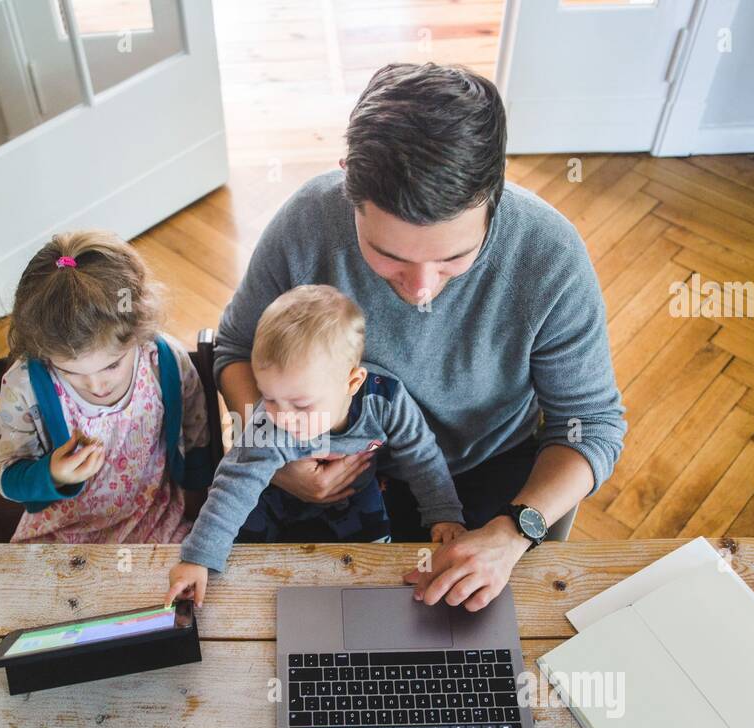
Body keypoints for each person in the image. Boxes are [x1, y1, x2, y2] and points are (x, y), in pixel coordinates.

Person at [213, 63, 627, 610]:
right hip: (325, 461)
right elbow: (235, 350)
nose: (422, 289)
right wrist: (274, 450)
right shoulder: (307, 223)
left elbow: (592, 425)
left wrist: (515, 528)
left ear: (493, 192)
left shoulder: (549, 257)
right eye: (388, 256)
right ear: (347, 184)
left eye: (454, 258)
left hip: (484, 480)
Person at [164, 285, 464, 607]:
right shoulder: (270, 421)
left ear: (352, 383)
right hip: (270, 497)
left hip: (355, 494)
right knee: (241, 564)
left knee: (378, 569)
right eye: (269, 398)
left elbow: (420, 454)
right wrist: (198, 558)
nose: (283, 418)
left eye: (301, 404)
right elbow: (233, 485)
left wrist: (443, 515)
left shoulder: (386, 400)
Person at [0, 230, 213, 544]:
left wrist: (200, 501)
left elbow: (197, 436)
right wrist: (51, 473)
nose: (96, 385)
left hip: (157, 520)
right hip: (59, 532)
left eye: (112, 365)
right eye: (71, 372)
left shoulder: (165, 363)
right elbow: (4, 475)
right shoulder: (25, 383)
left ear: (139, 329)